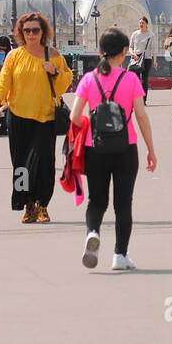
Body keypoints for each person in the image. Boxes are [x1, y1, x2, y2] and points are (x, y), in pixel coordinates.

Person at [67, 28, 157, 270]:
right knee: (123, 204)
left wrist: (91, 127)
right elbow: (141, 116)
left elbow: (75, 117)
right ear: (124, 52)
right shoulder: (130, 79)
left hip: (94, 148)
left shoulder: (88, 79)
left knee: (96, 201)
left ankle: (93, 232)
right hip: (125, 147)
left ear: (99, 52)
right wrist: (150, 149)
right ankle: (120, 255)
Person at [0, 12, 72, 224]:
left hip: (45, 117)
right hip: (18, 116)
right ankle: (28, 205)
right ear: (20, 33)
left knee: (43, 161)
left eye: (35, 30)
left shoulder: (52, 55)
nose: (31, 34)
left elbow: (64, 84)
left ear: (43, 32)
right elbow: (3, 82)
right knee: (20, 165)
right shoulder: (14, 56)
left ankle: (42, 204)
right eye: (27, 30)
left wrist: (54, 72)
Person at [128, 17, 157, 101]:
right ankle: (136, 99)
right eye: (140, 23)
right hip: (136, 58)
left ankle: (143, 99)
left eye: (143, 23)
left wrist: (155, 61)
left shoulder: (151, 35)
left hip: (147, 59)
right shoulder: (135, 34)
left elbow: (154, 50)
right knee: (135, 80)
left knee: (144, 79)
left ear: (147, 24)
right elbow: (130, 47)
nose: (141, 24)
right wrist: (133, 54)